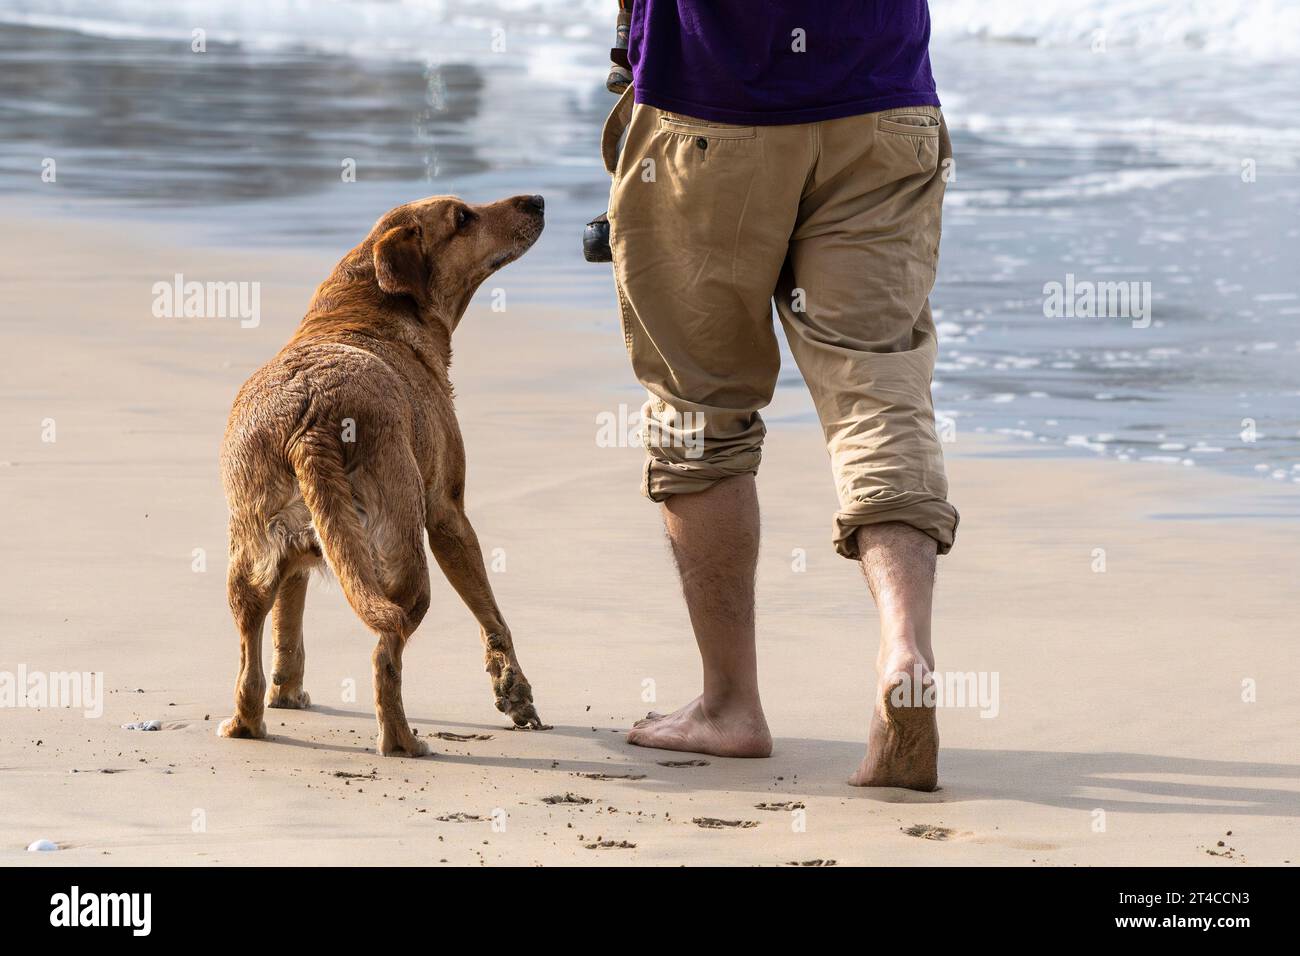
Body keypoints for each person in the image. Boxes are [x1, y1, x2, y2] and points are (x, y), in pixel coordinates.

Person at [603, 1, 956, 791]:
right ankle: (904, 645)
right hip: (882, 102)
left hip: (711, 106)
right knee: (879, 389)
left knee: (700, 413)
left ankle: (731, 706)